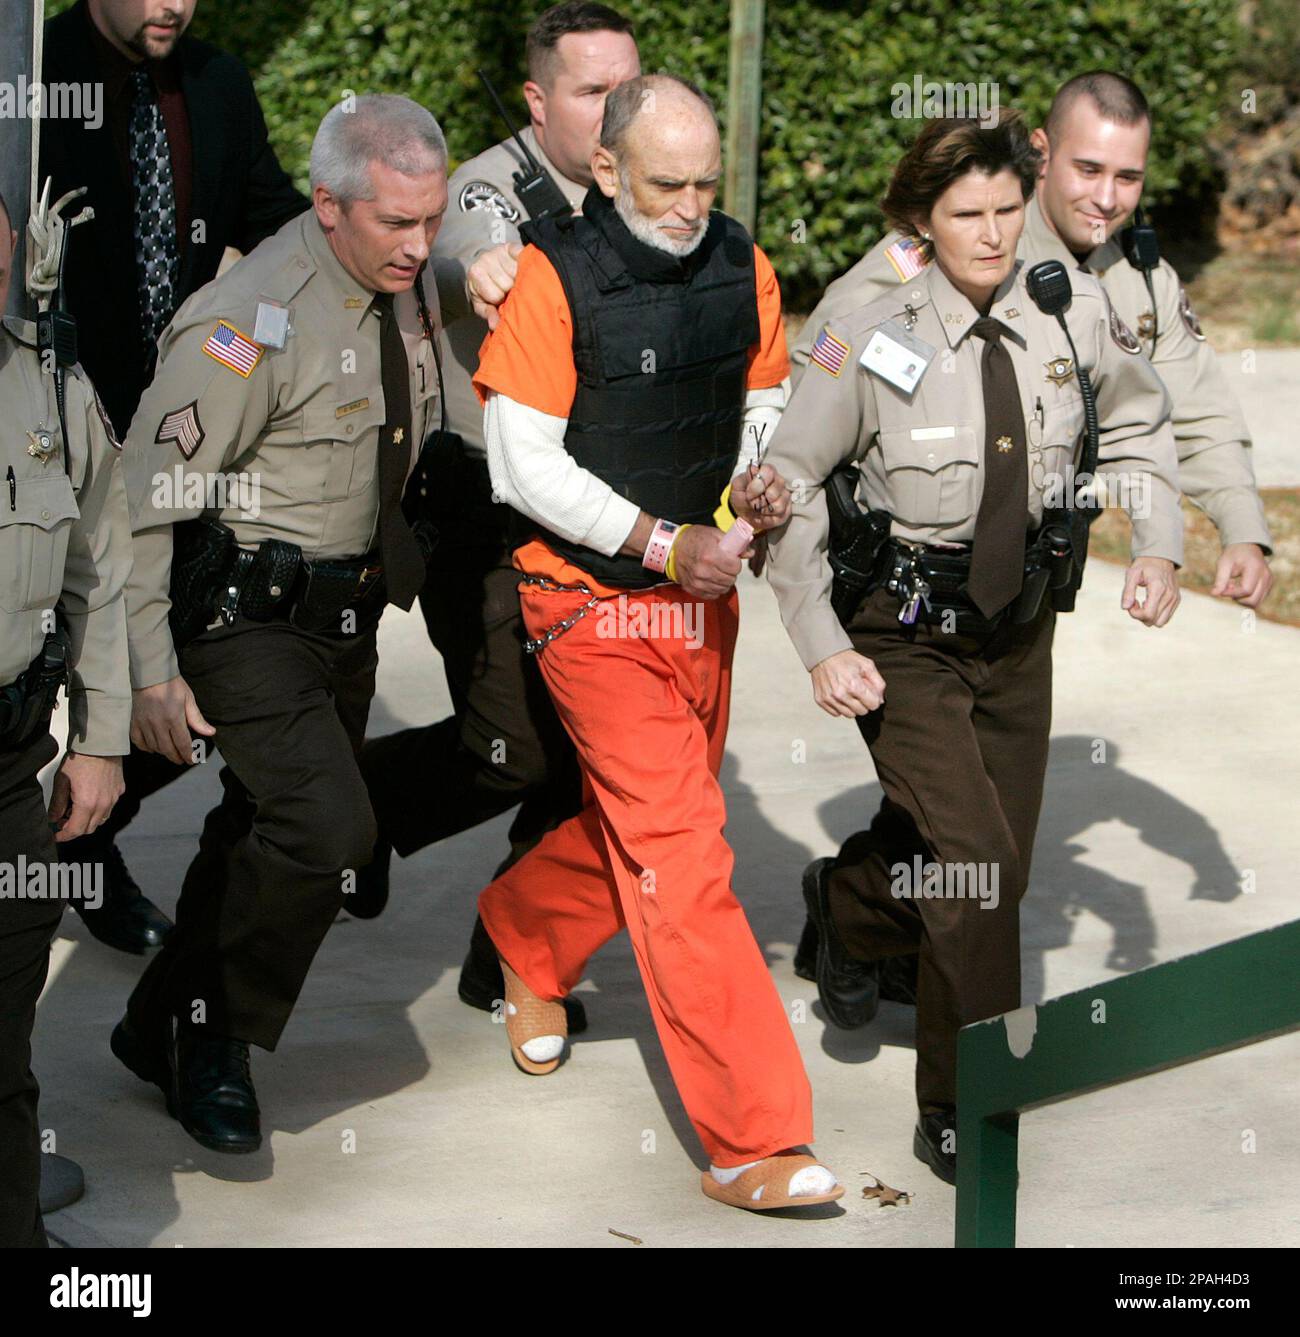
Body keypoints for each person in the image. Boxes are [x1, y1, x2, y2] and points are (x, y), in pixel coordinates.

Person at [762, 112, 1184, 1184]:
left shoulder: (1067, 308)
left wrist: (1161, 540)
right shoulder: (865, 331)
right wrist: (817, 642)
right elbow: (790, 486)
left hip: (1018, 633)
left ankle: (847, 904)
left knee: (992, 874)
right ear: (920, 220)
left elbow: (1138, 423)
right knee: (980, 868)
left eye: (1006, 210)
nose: (994, 235)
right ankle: (965, 1100)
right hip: (901, 636)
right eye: (967, 216)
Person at [789, 71, 1274, 996]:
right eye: (1088, 168)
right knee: (963, 836)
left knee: (978, 841)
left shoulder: (1136, 280)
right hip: (909, 597)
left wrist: (1236, 527)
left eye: (1128, 177)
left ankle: (854, 914)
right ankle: (938, 1034)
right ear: (1043, 158)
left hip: (1024, 596)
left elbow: (1185, 410)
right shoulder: (928, 256)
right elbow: (830, 355)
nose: (1105, 197)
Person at [471, 74, 844, 1212]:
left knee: (648, 826)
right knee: (683, 852)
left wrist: (754, 482)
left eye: (704, 183)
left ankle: (525, 932)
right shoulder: (549, 275)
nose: (689, 206)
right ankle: (754, 1138)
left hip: (701, 589)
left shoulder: (744, 259)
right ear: (606, 173)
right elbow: (519, 463)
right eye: (664, 184)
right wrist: (657, 541)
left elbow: (765, 390)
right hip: (588, 599)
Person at [110, 95, 445, 1154]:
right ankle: (217, 1038)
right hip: (242, 615)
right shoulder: (250, 320)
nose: (420, 243)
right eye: (397, 222)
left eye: (431, 219)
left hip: (343, 613)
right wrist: (155, 674)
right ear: (329, 205)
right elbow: (145, 500)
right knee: (326, 830)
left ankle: (164, 1018)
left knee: (260, 825)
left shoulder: (406, 285)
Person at [354, 3, 640, 1034]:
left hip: (596, 507)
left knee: (586, 748)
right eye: (591, 91)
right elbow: (466, 239)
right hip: (478, 500)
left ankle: (514, 956)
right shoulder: (491, 183)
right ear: (538, 98)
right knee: (516, 743)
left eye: (627, 86)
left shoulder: (643, 183)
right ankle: (369, 803)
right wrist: (478, 263)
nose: (618, 111)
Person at [41, 0, 309, 955]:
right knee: (47, 652)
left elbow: (276, 224)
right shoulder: (30, 72)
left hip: (175, 429)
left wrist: (375, 249)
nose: (172, 4)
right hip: (46, 416)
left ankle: (82, 833)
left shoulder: (218, 83)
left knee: (187, 662)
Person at [0, 188, 132, 1244]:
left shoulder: (42, 373)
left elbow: (96, 560)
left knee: (4, 1023)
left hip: (11, 753)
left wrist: (96, 738)